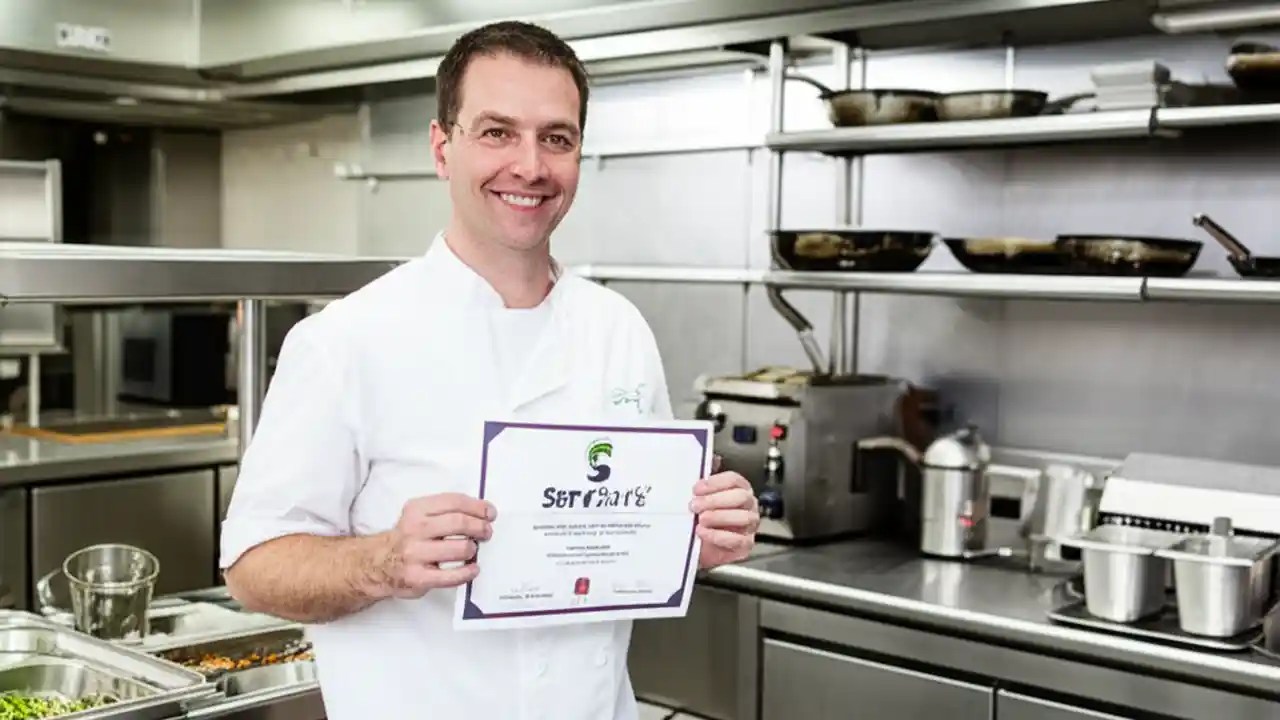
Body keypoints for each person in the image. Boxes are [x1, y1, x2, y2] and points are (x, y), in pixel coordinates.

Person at [219, 20, 761, 720]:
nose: (530, 167)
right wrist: (382, 561)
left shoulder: (618, 329)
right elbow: (253, 567)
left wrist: (704, 534)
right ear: (443, 149)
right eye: (497, 132)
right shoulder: (345, 340)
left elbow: (643, 532)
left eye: (556, 138)